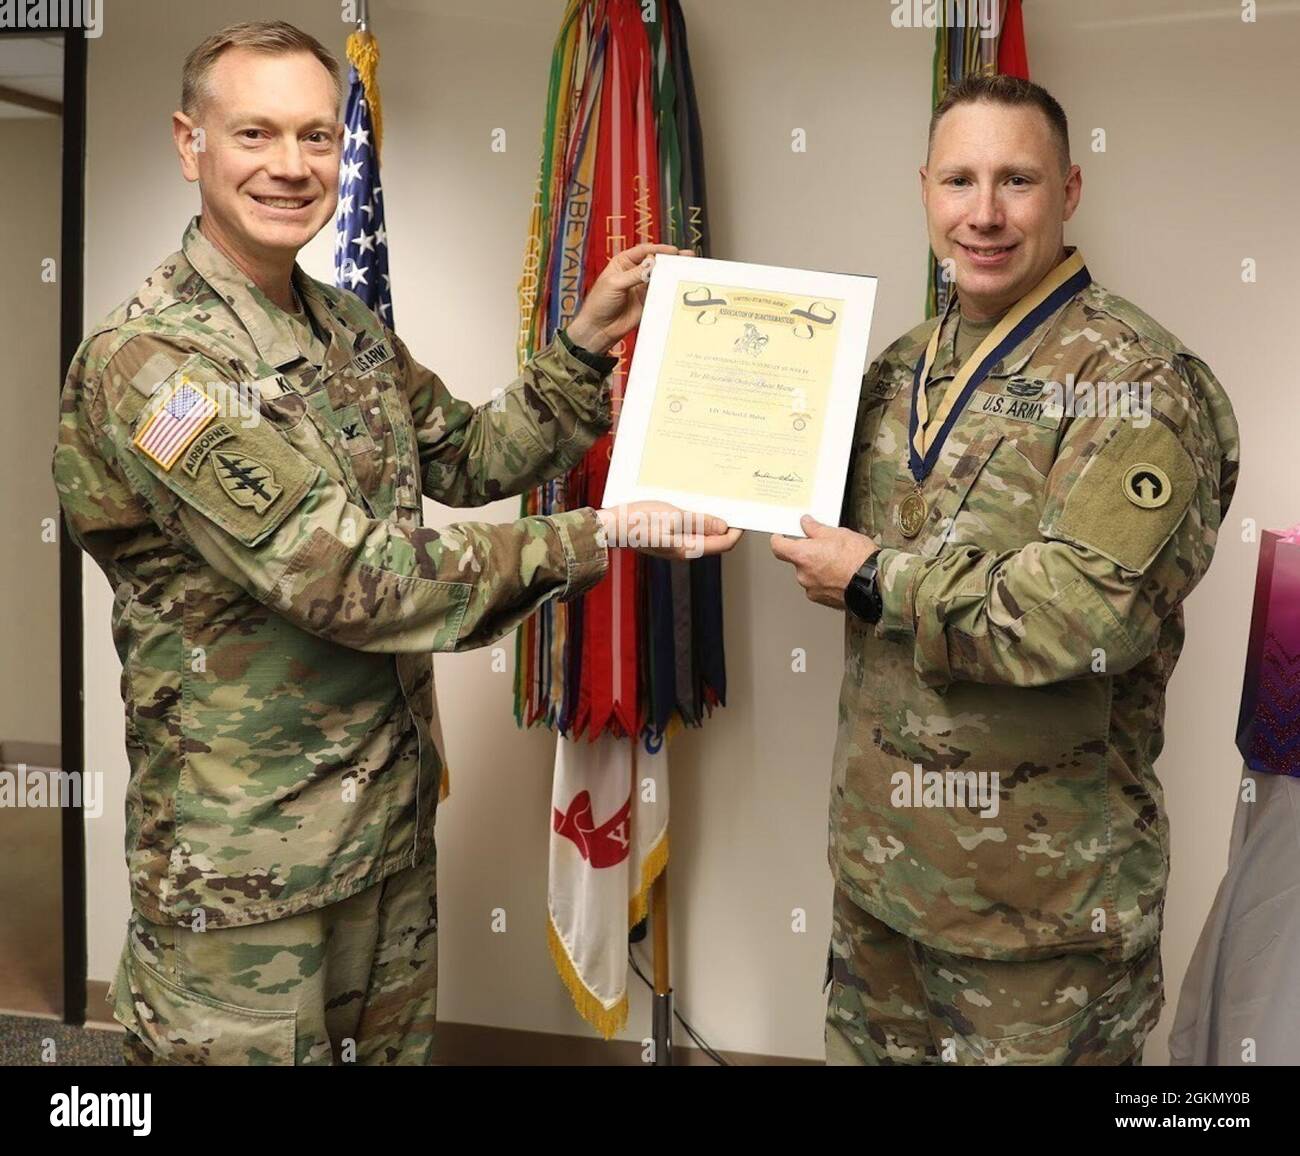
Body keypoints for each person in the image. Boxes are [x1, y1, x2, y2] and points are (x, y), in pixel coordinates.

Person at [52, 19, 739, 1066]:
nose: (292, 166)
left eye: (317, 137)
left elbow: (465, 454)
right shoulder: (152, 363)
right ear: (190, 143)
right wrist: (596, 534)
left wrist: (585, 341)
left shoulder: (345, 329)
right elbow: (350, 582)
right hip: (249, 876)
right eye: (256, 135)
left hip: (383, 834)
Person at [770, 74, 1239, 1065]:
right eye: (960, 179)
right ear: (924, 190)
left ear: (1067, 192)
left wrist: (874, 580)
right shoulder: (895, 369)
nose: (983, 213)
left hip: (1039, 929)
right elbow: (785, 491)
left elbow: (1084, 617)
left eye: (1016, 180)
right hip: (880, 891)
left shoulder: (1135, 382)